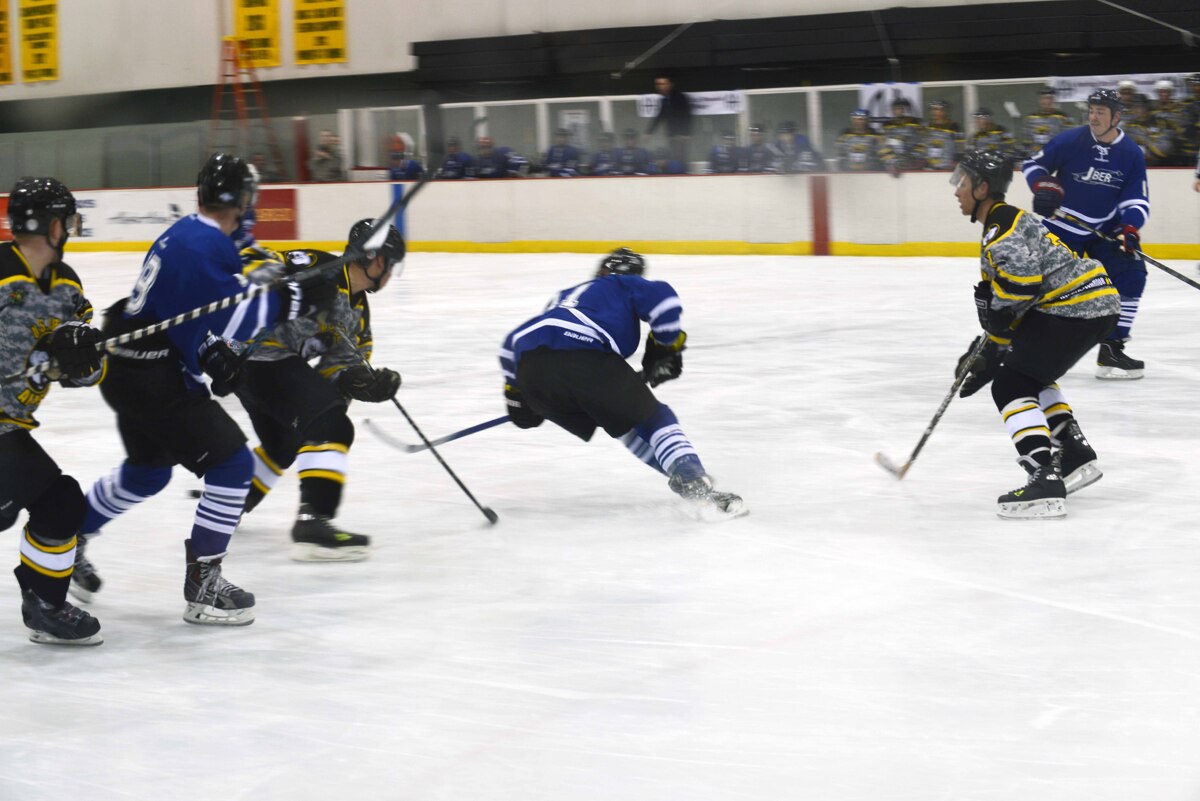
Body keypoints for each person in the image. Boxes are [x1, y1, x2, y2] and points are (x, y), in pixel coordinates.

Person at [72, 154, 336, 622]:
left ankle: (66, 537)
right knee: (234, 464)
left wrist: (217, 347)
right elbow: (231, 316)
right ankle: (204, 586)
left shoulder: (192, 234)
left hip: (133, 370)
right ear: (242, 200)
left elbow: (197, 314)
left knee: (147, 472)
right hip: (154, 377)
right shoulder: (201, 246)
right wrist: (292, 299)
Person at [498, 248, 745, 517]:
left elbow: (511, 345)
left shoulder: (562, 298)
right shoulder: (620, 283)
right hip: (584, 359)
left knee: (621, 419)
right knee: (653, 418)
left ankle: (684, 475)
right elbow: (664, 300)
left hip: (531, 371)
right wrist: (665, 344)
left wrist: (517, 393)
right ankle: (691, 479)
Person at [951, 150, 1119, 519]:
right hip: (1091, 302)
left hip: (1074, 306)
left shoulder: (1000, 229)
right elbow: (1016, 304)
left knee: (1009, 386)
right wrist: (992, 347)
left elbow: (1022, 286)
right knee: (1030, 374)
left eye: (961, 182)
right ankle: (1074, 455)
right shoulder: (1008, 220)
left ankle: (1044, 476)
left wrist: (994, 334)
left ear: (982, 188)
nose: (955, 190)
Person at [230, 221, 405, 561]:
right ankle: (313, 522)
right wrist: (279, 286)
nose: (390, 272)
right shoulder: (319, 266)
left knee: (283, 445)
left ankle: (228, 504)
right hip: (252, 357)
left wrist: (362, 382)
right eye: (392, 264)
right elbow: (247, 258)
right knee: (332, 426)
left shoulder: (357, 311)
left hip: (262, 370)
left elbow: (340, 366)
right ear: (379, 261)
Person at [0, 177, 105, 645]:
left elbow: (88, 371)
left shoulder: (68, 287)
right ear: (54, 224)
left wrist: (80, 358)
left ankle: (45, 602)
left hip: (10, 427)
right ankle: (45, 602)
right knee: (57, 500)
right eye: (68, 220)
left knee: (60, 502)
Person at [1023, 88, 1150, 379]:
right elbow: (1033, 164)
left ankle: (1112, 349)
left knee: (1132, 275)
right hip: (1062, 226)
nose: (1093, 117)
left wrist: (1130, 227)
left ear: (1116, 117)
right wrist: (1042, 186)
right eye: (1092, 111)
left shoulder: (1131, 153)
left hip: (1103, 231)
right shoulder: (1071, 140)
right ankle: (1019, 345)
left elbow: (1136, 199)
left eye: (1101, 112)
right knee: (1037, 283)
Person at [646, 75, 693, 172]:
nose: (661, 86)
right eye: (658, 84)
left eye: (663, 83)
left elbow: (686, 115)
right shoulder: (664, 99)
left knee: (681, 159)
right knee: (672, 158)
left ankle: (684, 176)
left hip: (680, 136)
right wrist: (649, 132)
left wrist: (686, 133)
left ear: (670, 85)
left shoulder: (679, 97)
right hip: (671, 136)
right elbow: (660, 116)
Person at [1021, 87, 1072, 159]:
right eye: (1044, 98)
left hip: (1057, 157)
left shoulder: (1063, 117)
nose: (1047, 101)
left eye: (1050, 98)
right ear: (1040, 100)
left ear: (1053, 100)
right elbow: (1026, 141)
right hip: (1036, 157)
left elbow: (1069, 139)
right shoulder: (1030, 118)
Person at [878, 97, 925, 174]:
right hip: (894, 162)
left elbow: (924, 141)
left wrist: (915, 155)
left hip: (914, 161)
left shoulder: (915, 122)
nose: (899, 110)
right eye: (896, 108)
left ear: (906, 109)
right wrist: (891, 160)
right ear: (891, 110)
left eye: (901, 108)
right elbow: (881, 145)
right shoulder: (886, 125)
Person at [919, 99, 963, 171]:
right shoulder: (928, 126)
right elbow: (923, 145)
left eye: (938, 109)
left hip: (947, 167)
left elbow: (960, 147)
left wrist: (957, 161)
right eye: (933, 109)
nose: (934, 112)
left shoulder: (953, 126)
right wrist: (922, 161)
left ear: (945, 111)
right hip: (930, 167)